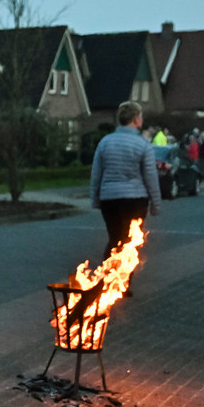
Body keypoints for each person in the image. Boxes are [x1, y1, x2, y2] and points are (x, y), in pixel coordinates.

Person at [90, 99, 160, 287]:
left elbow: (96, 173)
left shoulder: (105, 142)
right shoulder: (143, 145)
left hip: (110, 198)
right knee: (129, 241)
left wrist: (95, 198)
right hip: (135, 199)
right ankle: (122, 283)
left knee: (114, 238)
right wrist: (156, 203)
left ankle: (106, 278)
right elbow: (150, 176)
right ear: (137, 119)